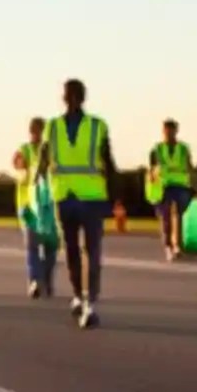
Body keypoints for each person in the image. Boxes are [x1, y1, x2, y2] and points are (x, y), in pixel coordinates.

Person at [34, 79, 120, 329]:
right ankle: (77, 294)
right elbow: (43, 162)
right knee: (71, 251)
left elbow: (108, 161)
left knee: (92, 251)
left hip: (93, 198)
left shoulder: (98, 126)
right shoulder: (53, 127)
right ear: (63, 97)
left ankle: (89, 301)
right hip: (64, 198)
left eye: (76, 94)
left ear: (83, 97)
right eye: (69, 94)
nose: (72, 98)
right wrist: (38, 194)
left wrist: (116, 198)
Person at [14, 117, 57, 299]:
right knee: (32, 247)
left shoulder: (53, 151)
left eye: (40, 130)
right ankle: (35, 281)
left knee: (50, 247)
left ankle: (46, 280)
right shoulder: (24, 150)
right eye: (35, 130)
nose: (37, 134)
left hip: (48, 207)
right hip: (29, 206)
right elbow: (17, 164)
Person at [148, 119, 197, 261]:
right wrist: (152, 187)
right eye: (166, 130)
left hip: (181, 185)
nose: (168, 133)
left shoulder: (183, 148)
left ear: (176, 131)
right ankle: (169, 246)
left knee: (179, 216)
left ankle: (178, 245)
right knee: (166, 216)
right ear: (163, 131)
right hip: (163, 186)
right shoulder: (157, 149)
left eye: (171, 130)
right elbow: (151, 170)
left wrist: (195, 187)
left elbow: (190, 167)